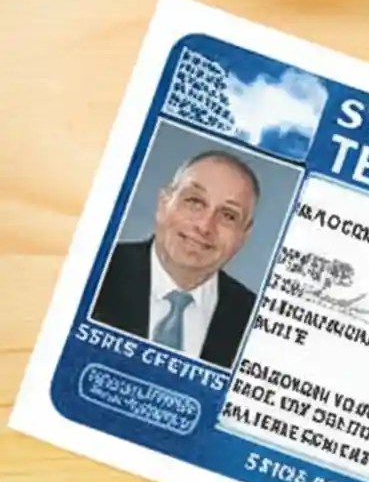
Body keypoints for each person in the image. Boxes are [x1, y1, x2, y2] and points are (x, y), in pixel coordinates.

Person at [92, 149, 260, 368]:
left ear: (244, 235)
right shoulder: (95, 268)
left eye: (228, 215)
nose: (204, 226)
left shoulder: (255, 322)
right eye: (195, 201)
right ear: (164, 204)